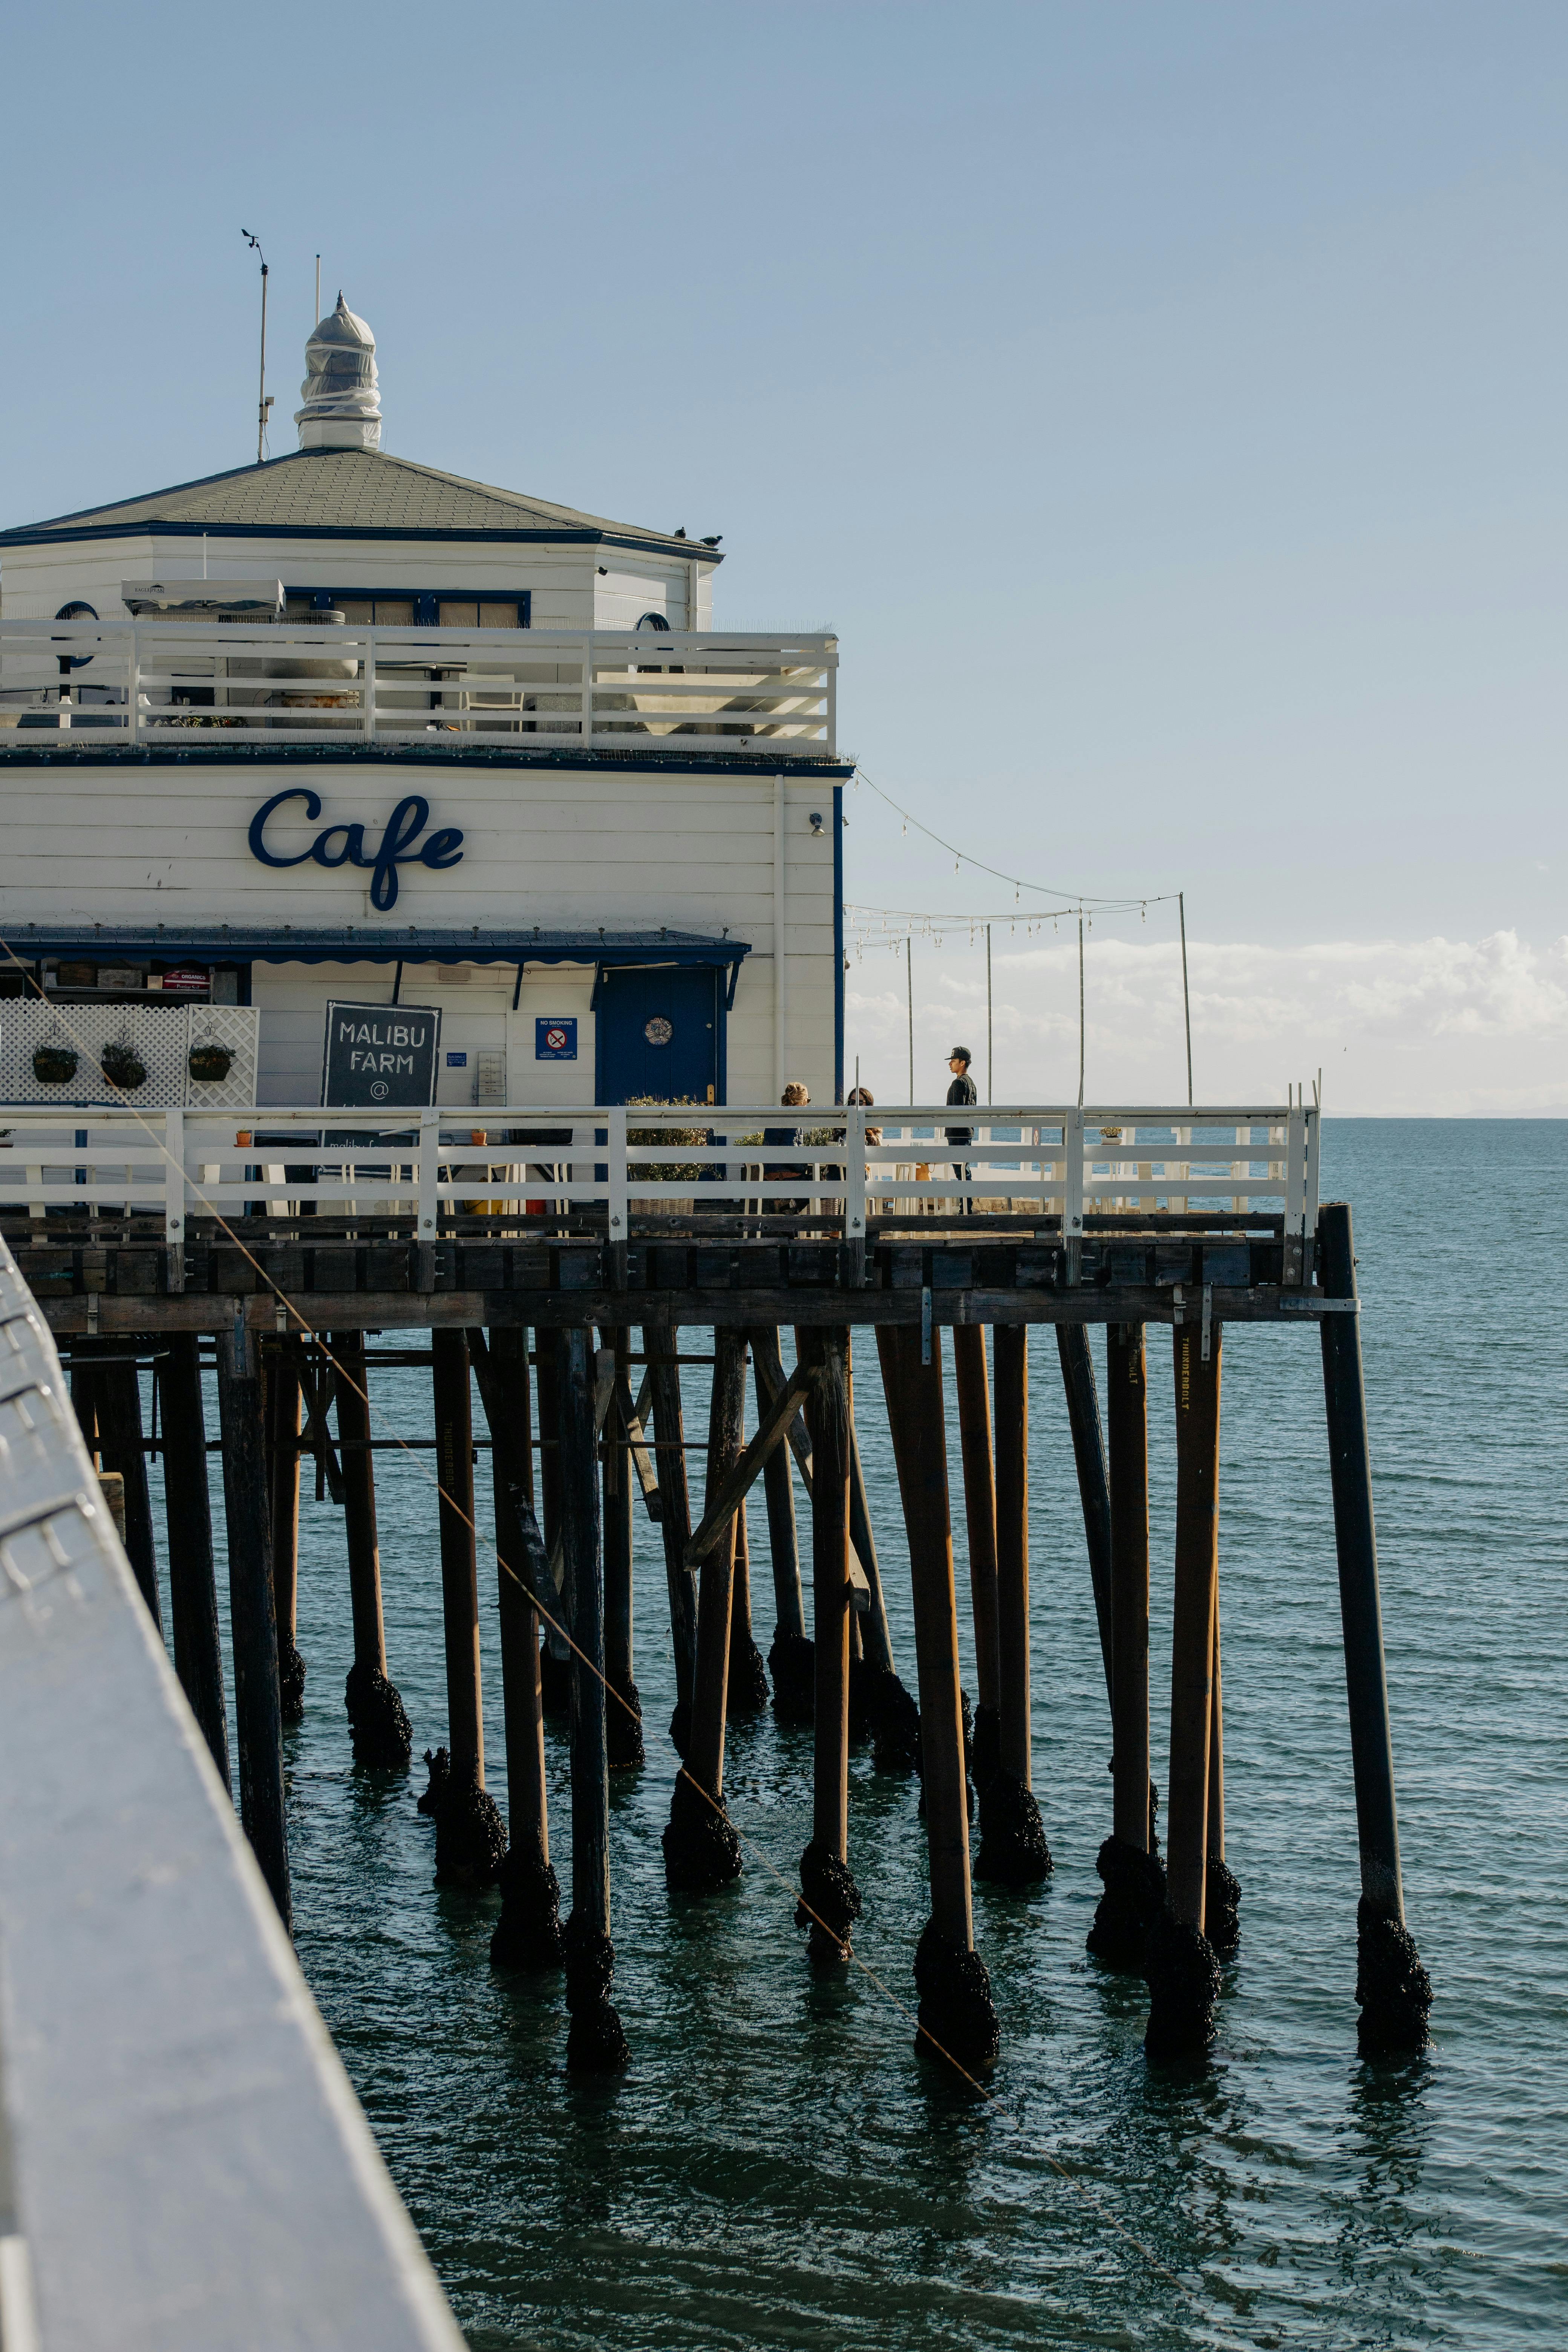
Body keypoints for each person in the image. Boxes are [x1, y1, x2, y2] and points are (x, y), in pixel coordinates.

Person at [763, 1081, 811, 1216]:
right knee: (818, 1184)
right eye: (808, 1100)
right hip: (783, 1175)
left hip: (770, 1172)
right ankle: (788, 1207)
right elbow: (790, 1153)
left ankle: (788, 1207)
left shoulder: (778, 1115)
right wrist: (804, 1166)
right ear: (802, 1101)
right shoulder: (792, 1119)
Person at [945, 1047, 977, 1212]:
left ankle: (965, 1210)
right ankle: (967, 1208)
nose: (950, 1064)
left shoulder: (958, 1083)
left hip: (957, 1132)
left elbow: (956, 1110)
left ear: (962, 1063)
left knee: (961, 1172)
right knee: (965, 1171)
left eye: (953, 1061)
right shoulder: (971, 1083)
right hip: (967, 1131)